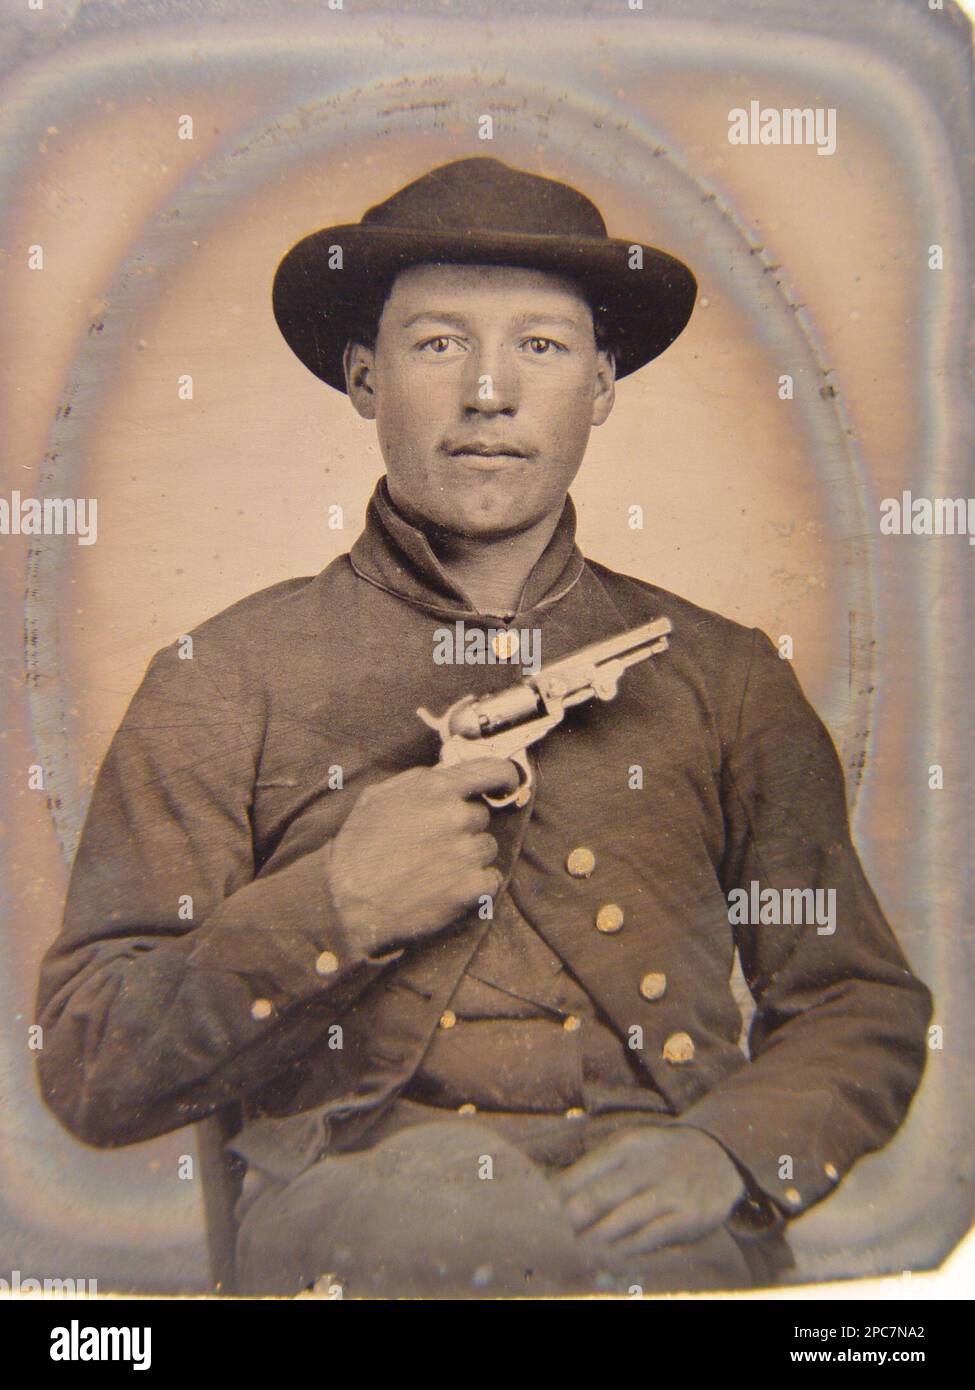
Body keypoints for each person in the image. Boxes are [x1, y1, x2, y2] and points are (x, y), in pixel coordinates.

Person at [35, 157, 932, 1298]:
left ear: (602, 384)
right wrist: (335, 907)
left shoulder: (727, 677)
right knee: (444, 1219)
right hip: (363, 1238)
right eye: (438, 343)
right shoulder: (224, 679)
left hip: (659, 1230)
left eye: (544, 347)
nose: (490, 393)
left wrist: (731, 1149)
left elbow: (861, 1001)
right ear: (365, 378)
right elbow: (88, 1063)